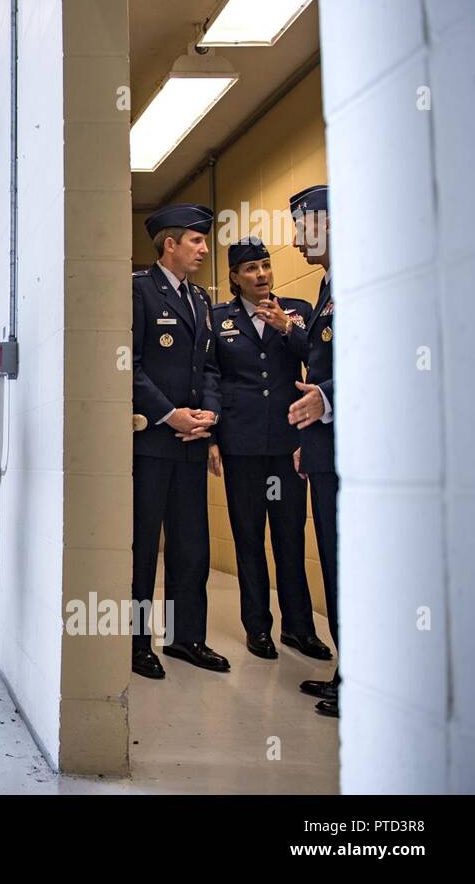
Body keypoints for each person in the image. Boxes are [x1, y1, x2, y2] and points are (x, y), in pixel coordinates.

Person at [208, 237, 330, 663]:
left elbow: (317, 358)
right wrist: (213, 438)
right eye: (251, 269)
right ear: (235, 278)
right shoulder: (218, 317)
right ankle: (258, 627)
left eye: (265, 266)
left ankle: (299, 629)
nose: (261, 275)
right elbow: (212, 377)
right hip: (240, 445)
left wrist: (286, 328)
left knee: (290, 535)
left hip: (287, 444)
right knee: (247, 537)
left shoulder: (297, 310)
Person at [131, 203, 227, 679]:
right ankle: (136, 642)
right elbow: (132, 365)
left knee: (192, 545)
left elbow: (209, 367)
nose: (205, 248)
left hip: (191, 441)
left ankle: (188, 638)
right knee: (144, 546)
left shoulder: (201, 301)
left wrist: (209, 413)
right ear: (170, 244)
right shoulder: (139, 291)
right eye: (196, 240)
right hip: (152, 443)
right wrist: (170, 415)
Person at [287, 184, 340, 718]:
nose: (298, 239)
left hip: (355, 458)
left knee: (350, 564)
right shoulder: (329, 284)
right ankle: (350, 672)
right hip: (326, 450)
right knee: (332, 560)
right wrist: (311, 438)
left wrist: (327, 402)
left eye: (304, 226)